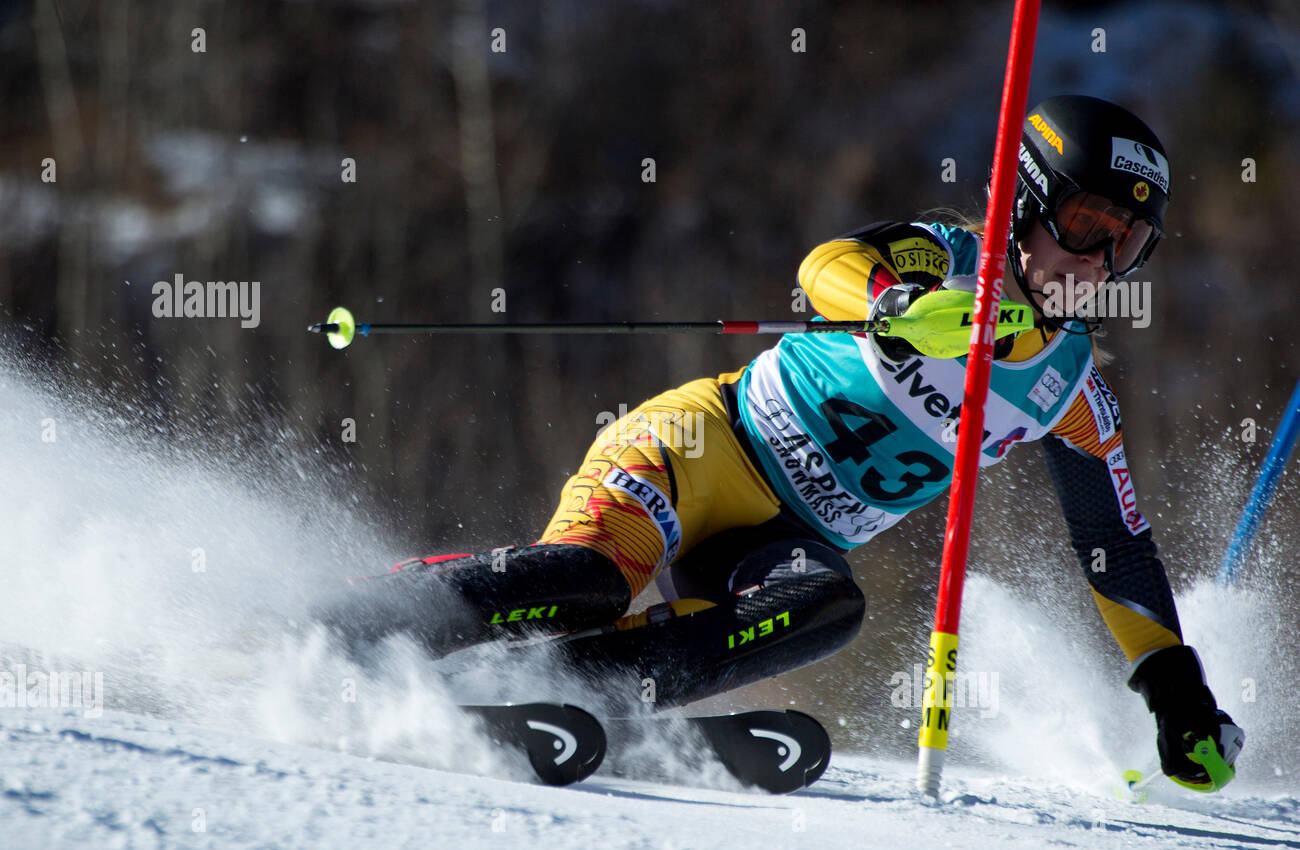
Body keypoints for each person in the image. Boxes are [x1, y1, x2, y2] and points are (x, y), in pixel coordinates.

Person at [325, 95, 1244, 792]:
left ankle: (576, 691)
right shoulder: (947, 255)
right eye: (1087, 228)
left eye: (1126, 247)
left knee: (825, 606)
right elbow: (828, 268)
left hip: (775, 541)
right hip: (697, 449)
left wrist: (1177, 689)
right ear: (1029, 202)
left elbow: (1116, 548)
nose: (1096, 265)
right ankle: (352, 622)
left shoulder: (1068, 390)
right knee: (589, 580)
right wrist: (900, 309)